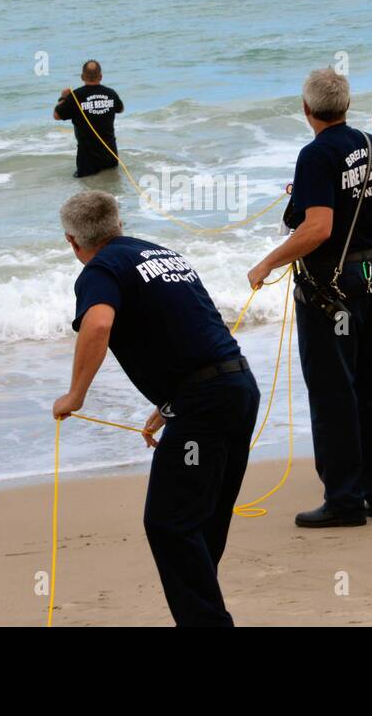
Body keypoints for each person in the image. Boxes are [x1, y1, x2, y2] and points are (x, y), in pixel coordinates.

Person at [53, 190, 261, 627]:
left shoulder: (100, 268)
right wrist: (171, 406)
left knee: (169, 524)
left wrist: (75, 395)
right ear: (118, 224)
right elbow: (189, 326)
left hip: (206, 403)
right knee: (202, 523)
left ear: (74, 242)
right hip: (236, 387)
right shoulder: (162, 254)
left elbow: (99, 324)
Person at [247, 68, 372, 527]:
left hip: (332, 287)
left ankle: (344, 501)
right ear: (348, 107)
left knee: (334, 391)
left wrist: (267, 263)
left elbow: (319, 228)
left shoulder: (315, 155)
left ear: (306, 109)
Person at [53, 60, 124, 177]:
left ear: (82, 77)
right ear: (100, 76)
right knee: (111, 192)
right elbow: (120, 109)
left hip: (87, 161)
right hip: (110, 156)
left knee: (88, 193)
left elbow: (56, 116)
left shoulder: (75, 97)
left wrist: (63, 98)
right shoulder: (111, 93)